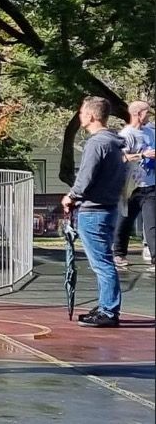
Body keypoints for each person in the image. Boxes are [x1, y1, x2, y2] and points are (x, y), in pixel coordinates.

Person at [62, 96, 128, 328]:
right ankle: (105, 305)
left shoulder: (97, 143)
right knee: (103, 260)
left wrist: (71, 196)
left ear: (90, 115)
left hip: (94, 211)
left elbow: (85, 177)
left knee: (102, 263)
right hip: (108, 208)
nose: (80, 116)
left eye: (82, 112)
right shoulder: (114, 143)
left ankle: (109, 310)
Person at [113, 101, 156, 270]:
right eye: (147, 112)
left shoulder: (150, 132)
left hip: (150, 185)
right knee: (125, 220)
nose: (149, 115)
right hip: (131, 187)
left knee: (152, 223)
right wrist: (143, 155)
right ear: (138, 114)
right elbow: (121, 158)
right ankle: (119, 253)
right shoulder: (126, 134)